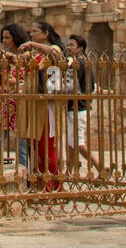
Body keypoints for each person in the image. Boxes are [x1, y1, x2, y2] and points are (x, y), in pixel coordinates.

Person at [16, 21, 66, 190]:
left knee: (47, 148)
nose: (31, 34)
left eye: (35, 31)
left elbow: (55, 54)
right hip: (34, 107)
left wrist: (32, 44)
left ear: (45, 34)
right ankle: (42, 184)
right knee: (37, 149)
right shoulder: (36, 56)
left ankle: (55, 186)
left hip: (46, 108)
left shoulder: (53, 50)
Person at [0, 22, 29, 167]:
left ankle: (24, 174)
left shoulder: (25, 55)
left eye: (7, 37)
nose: (4, 41)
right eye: (3, 37)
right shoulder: (2, 57)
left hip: (20, 102)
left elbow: (30, 77)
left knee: (21, 144)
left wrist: (17, 82)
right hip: (4, 102)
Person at [65, 35, 99, 172]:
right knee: (71, 143)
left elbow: (71, 86)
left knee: (78, 143)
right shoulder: (84, 63)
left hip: (78, 107)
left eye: (72, 45)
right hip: (78, 106)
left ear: (80, 48)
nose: (68, 47)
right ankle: (69, 171)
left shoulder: (78, 64)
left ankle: (101, 167)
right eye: (68, 45)